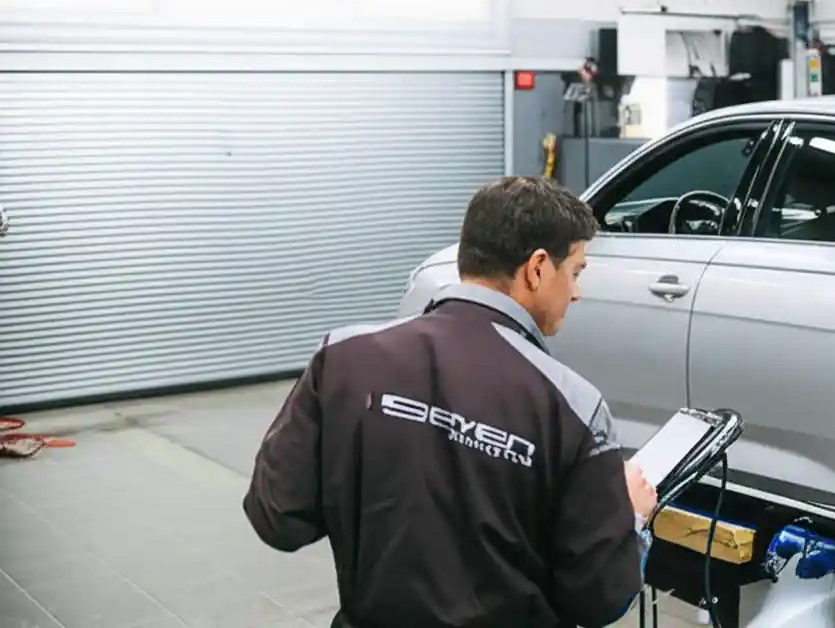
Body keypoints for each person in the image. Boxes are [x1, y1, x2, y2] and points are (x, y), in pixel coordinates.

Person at [243, 176, 659, 628]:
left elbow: (277, 519)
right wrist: (631, 520)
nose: (577, 291)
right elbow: (597, 599)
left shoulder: (341, 356)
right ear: (537, 268)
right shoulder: (573, 407)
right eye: (575, 271)